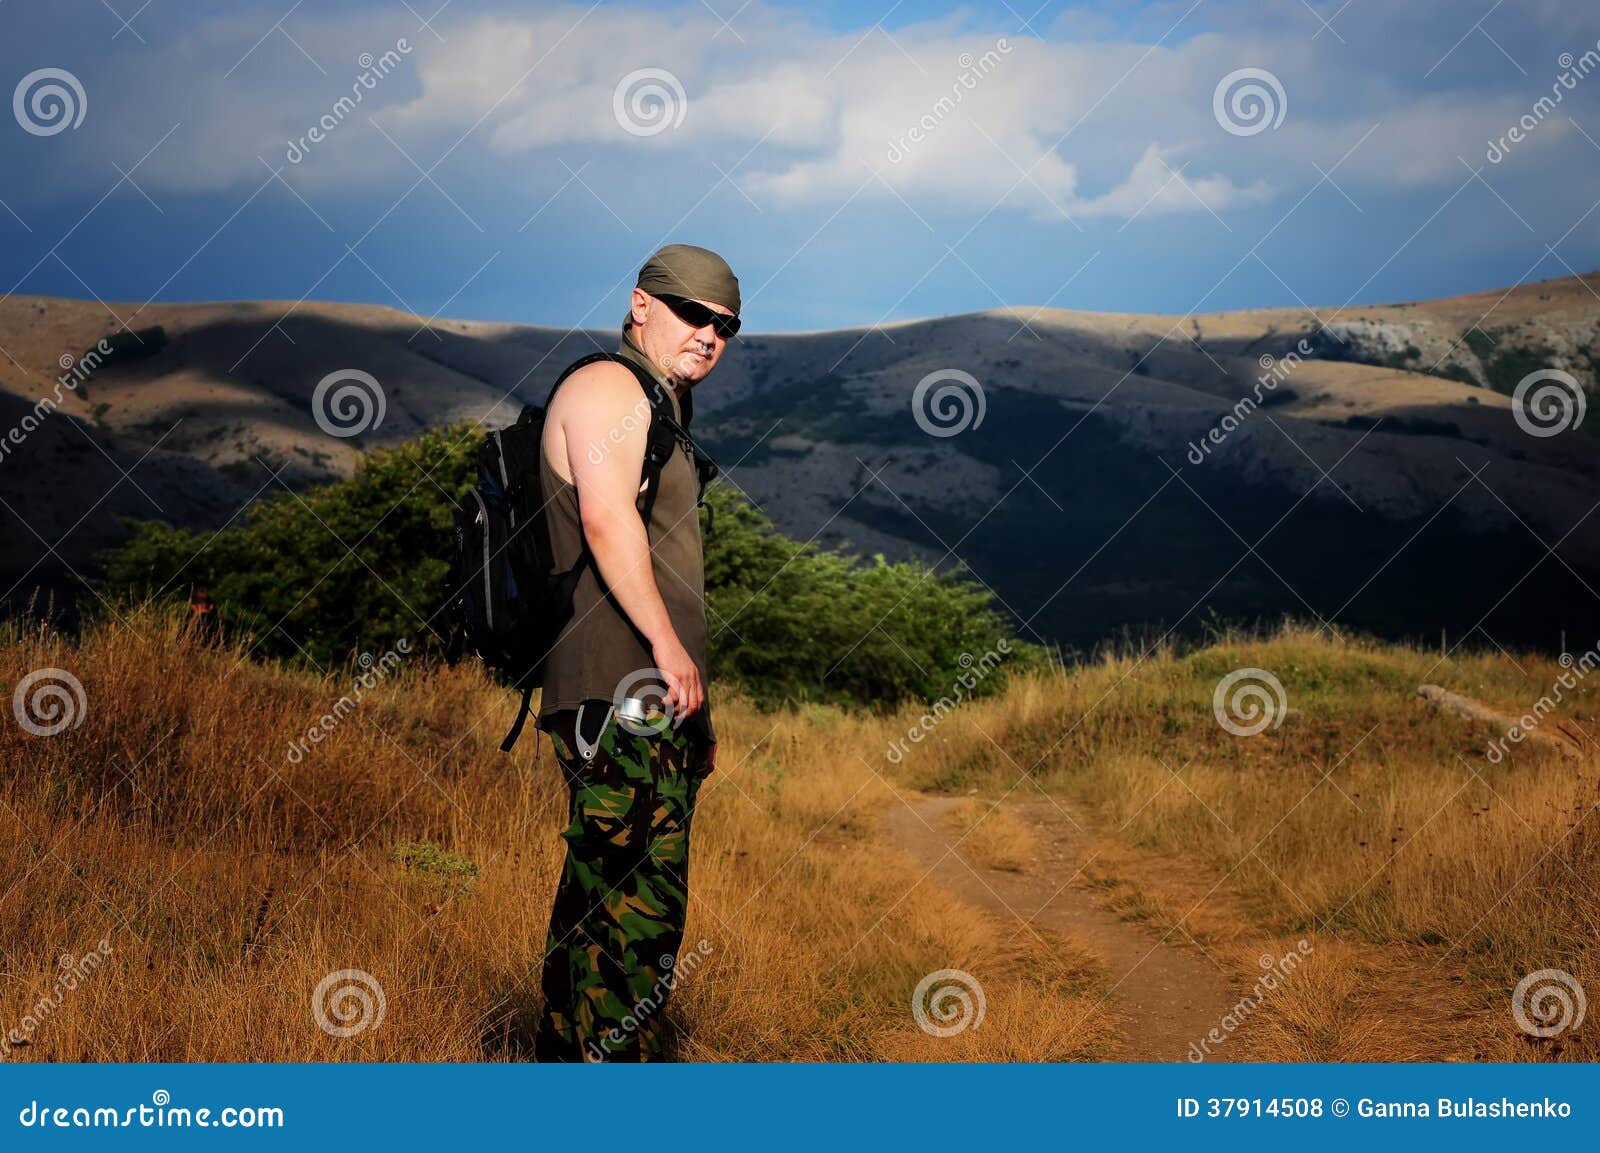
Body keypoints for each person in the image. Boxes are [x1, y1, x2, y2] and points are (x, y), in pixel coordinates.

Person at [532, 243, 740, 1062]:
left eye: (726, 325)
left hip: (651, 701)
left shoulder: (661, 403)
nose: (710, 334)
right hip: (618, 689)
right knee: (637, 909)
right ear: (641, 303)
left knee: (603, 900)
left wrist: (696, 713)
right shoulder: (607, 386)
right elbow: (607, 520)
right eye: (694, 313)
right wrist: (662, 644)